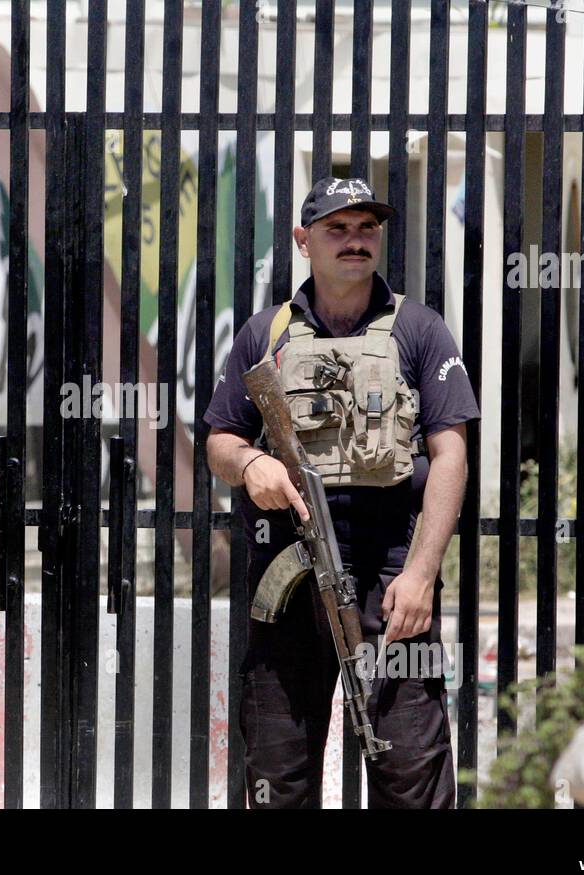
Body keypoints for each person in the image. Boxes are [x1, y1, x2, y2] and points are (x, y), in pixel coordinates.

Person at [204, 176, 481, 809]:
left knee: (410, 766)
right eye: (337, 228)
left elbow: (451, 455)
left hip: (392, 576)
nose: (355, 241)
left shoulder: (419, 328)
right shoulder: (264, 332)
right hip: (288, 574)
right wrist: (250, 466)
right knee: (280, 771)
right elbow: (219, 437)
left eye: (367, 228)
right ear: (304, 240)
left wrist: (420, 574)